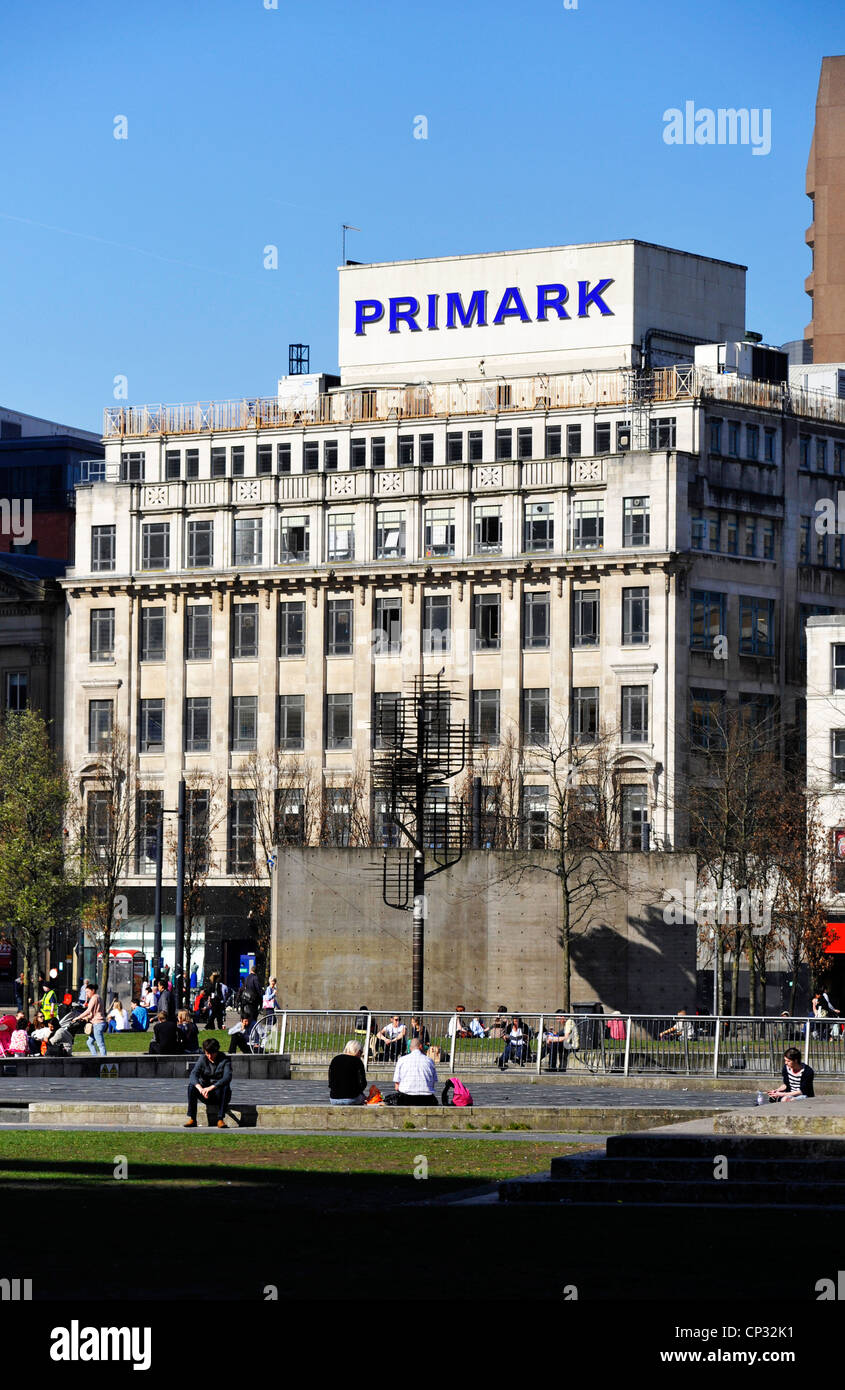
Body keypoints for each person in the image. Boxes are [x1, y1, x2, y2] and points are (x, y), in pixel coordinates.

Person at [184, 1039, 232, 1128]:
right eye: (207, 1053)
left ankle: (220, 1119)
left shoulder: (225, 1060)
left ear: (217, 1051)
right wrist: (200, 1088)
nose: (209, 1056)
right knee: (191, 1087)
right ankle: (192, 1118)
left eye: (212, 1053)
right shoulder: (202, 1059)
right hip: (204, 1093)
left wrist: (211, 1087)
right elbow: (193, 1074)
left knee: (225, 1087)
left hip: (218, 1092)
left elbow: (227, 1077)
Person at [393, 1037, 438, 1105]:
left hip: (407, 1097)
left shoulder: (402, 1060)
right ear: (420, 1046)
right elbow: (433, 1082)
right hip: (426, 1098)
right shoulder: (429, 1061)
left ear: (410, 1048)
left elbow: (397, 1087)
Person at [328, 1039, 368, 1105]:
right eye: (361, 1052)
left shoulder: (335, 1059)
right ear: (357, 1051)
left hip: (333, 1099)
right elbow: (363, 1083)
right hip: (351, 1098)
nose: (361, 1055)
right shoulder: (357, 1061)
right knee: (363, 1098)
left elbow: (330, 1082)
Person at [76, 983, 107, 1057]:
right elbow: (94, 1012)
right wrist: (85, 1018)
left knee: (100, 1044)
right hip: (98, 1023)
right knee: (89, 1042)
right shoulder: (98, 997)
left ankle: (104, 1058)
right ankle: (94, 1057)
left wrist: (78, 1017)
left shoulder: (94, 998)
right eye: (85, 992)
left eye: (88, 992)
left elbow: (88, 1011)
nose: (86, 994)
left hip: (98, 1023)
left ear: (93, 990)